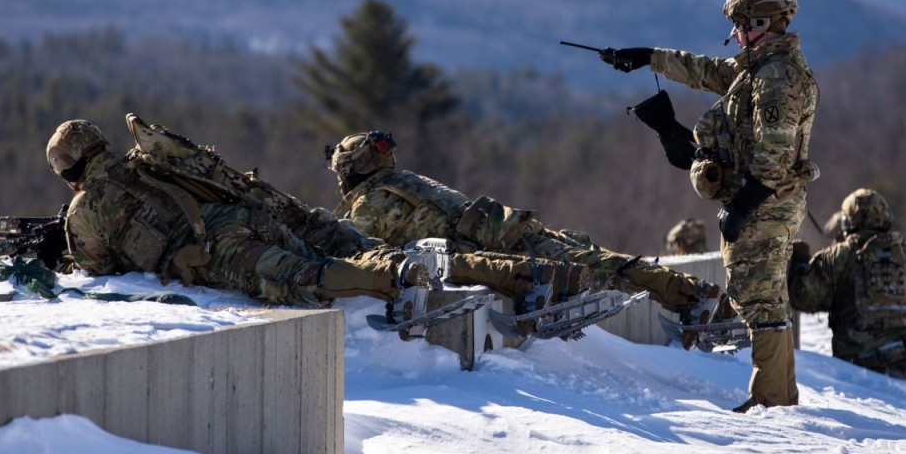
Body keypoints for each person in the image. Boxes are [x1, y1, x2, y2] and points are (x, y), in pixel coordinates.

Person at [45, 119, 591, 325]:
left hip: (222, 249)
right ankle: (519, 273)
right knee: (358, 246)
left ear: (68, 171)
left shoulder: (86, 206)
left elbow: (94, 265)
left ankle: (394, 282)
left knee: (306, 277)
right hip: (255, 214)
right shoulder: (150, 161)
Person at [601, 0, 819, 411]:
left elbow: (775, 156)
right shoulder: (757, 69)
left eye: (741, 25)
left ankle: (771, 402)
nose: (734, 34)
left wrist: (741, 207)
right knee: (766, 298)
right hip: (765, 201)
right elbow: (707, 71)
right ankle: (779, 399)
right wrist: (648, 57)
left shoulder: (776, 78)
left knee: (759, 300)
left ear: (761, 24)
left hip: (765, 204)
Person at [324, 130, 735, 332]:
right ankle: (700, 295)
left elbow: (359, 253)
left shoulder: (372, 202)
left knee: (604, 271)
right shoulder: (411, 181)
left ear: (350, 172)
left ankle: (693, 299)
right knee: (602, 260)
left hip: (499, 250)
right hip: (510, 228)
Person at [788, 188, 906, 388]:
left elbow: (803, 297)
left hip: (855, 365)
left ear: (848, 222)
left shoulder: (836, 257)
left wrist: (799, 263)